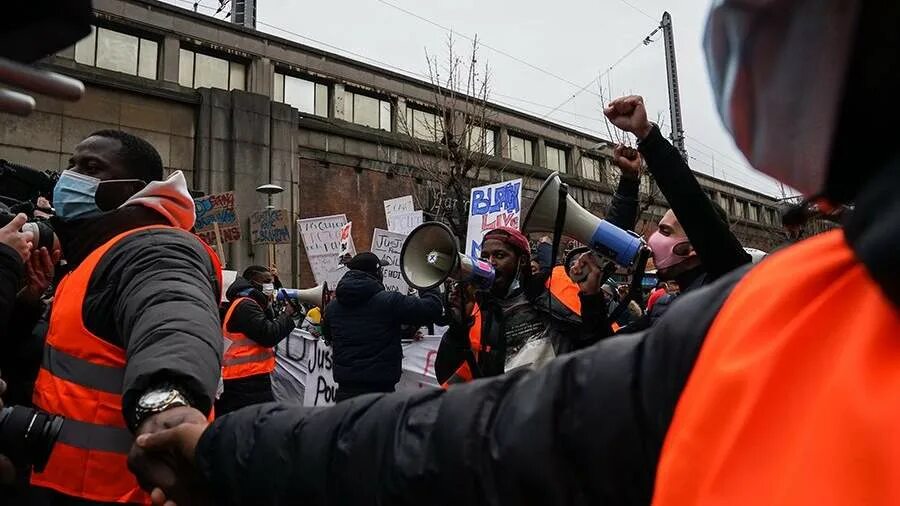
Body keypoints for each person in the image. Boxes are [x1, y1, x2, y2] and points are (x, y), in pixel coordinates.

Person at [130, 1, 900, 504]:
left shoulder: (774, 312)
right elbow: (482, 417)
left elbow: (499, 423)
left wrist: (233, 453)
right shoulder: (788, 309)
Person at [28, 130, 224, 506]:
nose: (71, 177)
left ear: (132, 187)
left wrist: (168, 402)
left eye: (91, 167)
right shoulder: (97, 252)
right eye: (71, 165)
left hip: (126, 491)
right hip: (67, 484)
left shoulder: (155, 246)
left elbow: (172, 315)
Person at [603, 95, 751, 329]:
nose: (654, 239)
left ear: (695, 244)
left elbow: (691, 202)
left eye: (665, 231)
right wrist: (629, 182)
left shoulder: (728, 279)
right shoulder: (662, 311)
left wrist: (647, 136)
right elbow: (601, 347)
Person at [435, 227, 606, 385]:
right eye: (485, 257)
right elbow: (447, 377)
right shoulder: (480, 309)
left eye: (499, 255)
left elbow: (600, 346)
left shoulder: (549, 290)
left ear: (522, 261)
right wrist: (459, 327)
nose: (490, 262)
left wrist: (592, 298)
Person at [321, 252, 442, 401]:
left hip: (345, 396)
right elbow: (432, 309)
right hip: (379, 397)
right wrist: (425, 279)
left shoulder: (332, 308)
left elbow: (333, 335)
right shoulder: (389, 301)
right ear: (377, 273)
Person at [217, 265, 296, 415]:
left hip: (249, 378)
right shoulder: (246, 305)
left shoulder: (249, 303)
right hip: (245, 380)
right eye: (266, 281)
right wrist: (287, 315)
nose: (269, 285)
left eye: (271, 281)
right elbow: (268, 335)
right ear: (253, 282)